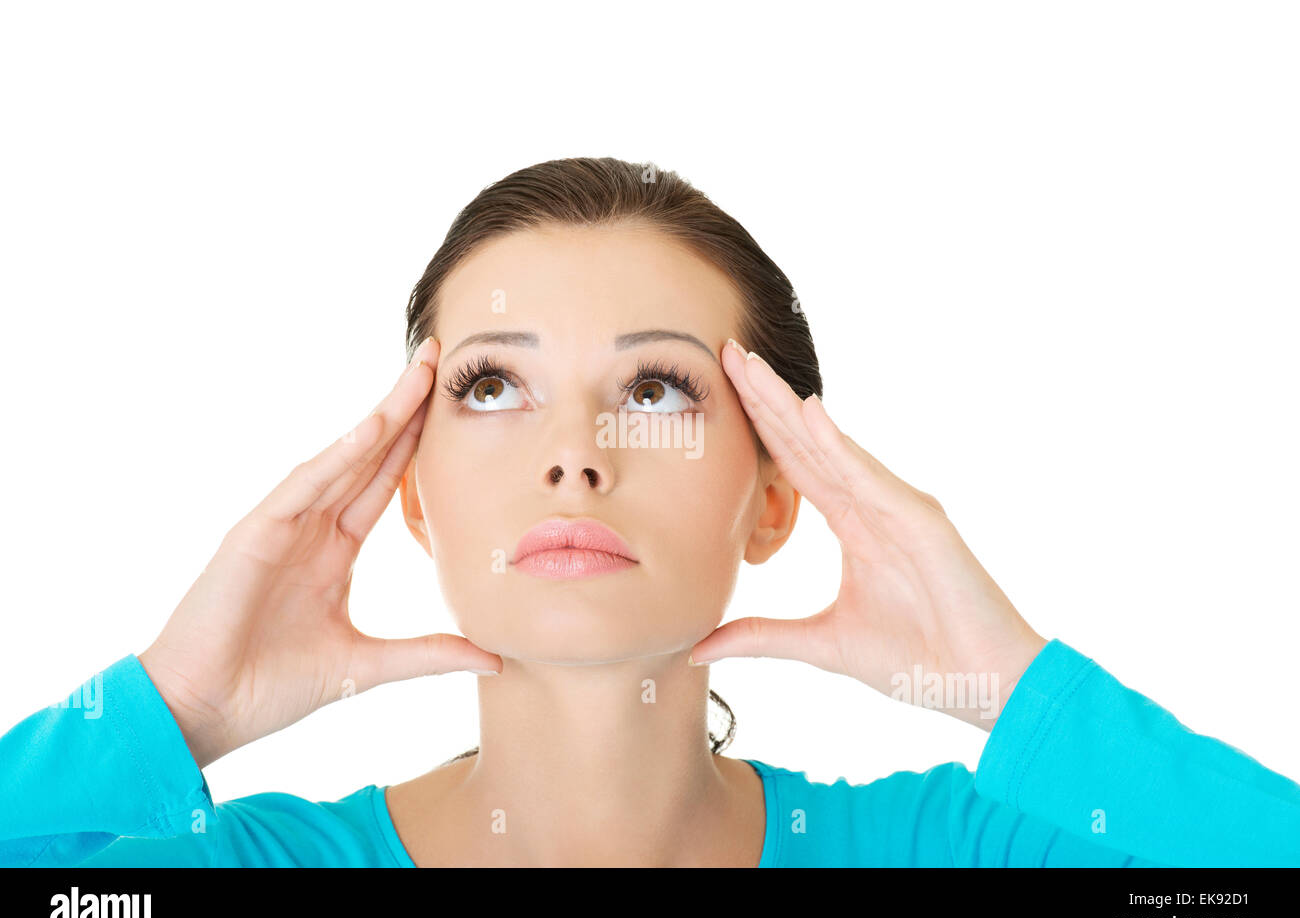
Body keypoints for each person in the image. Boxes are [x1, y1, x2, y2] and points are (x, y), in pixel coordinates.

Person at [4, 158, 1298, 867]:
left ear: (777, 493)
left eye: (657, 387)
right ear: (406, 485)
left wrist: (1012, 690)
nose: (576, 454)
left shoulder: (956, 852)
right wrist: (168, 710)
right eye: (496, 383)